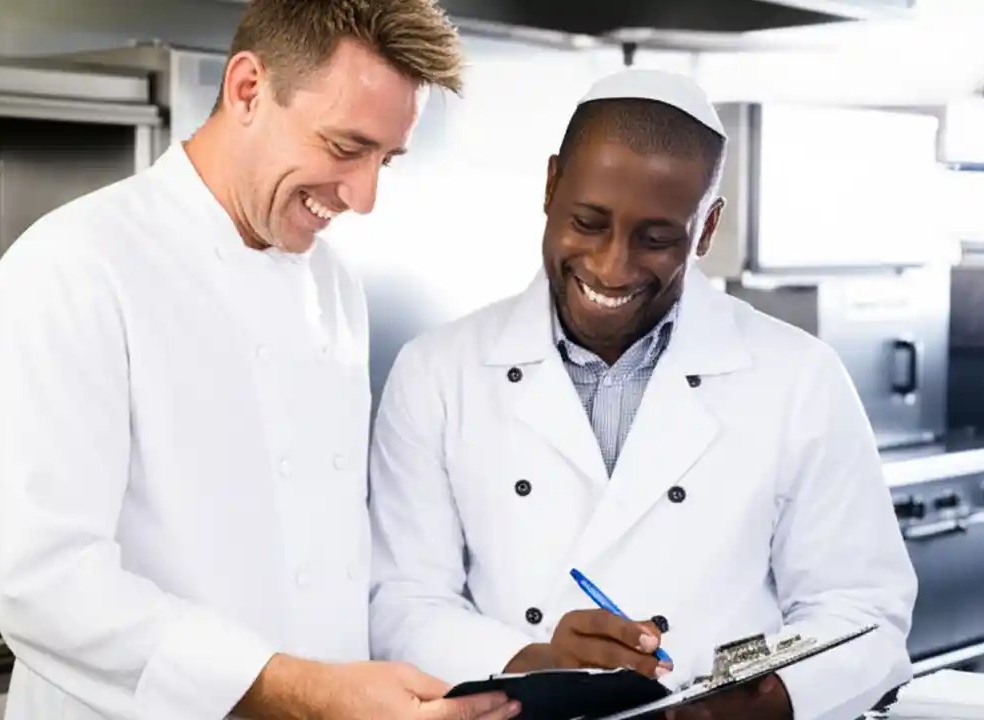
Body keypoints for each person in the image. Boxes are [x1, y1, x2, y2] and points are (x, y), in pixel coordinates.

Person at [0, 1, 520, 718]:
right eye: (346, 146)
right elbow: (46, 586)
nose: (365, 196)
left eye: (386, 159)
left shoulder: (335, 286)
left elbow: (328, 568)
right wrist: (307, 693)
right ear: (247, 89)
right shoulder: (72, 270)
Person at [368, 69, 917, 720]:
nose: (611, 266)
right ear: (550, 187)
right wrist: (530, 659)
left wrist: (766, 702)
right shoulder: (438, 372)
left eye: (655, 239)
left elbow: (863, 612)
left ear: (706, 229)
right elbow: (399, 601)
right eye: (588, 222)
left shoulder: (800, 377)